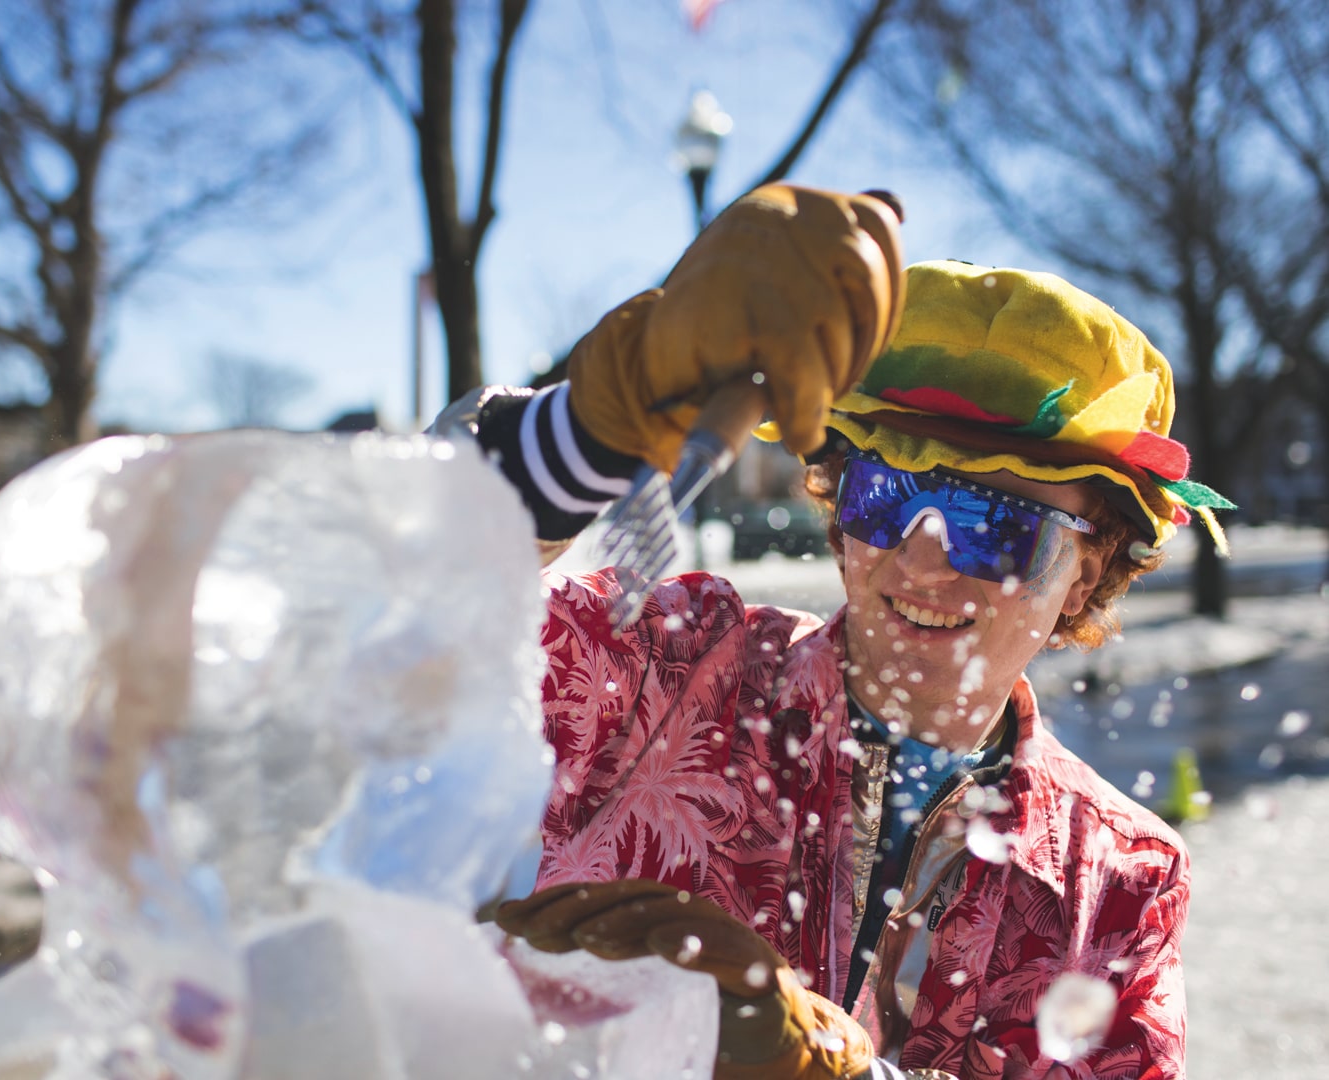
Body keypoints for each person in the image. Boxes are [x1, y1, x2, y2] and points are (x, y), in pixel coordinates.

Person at [449, 185, 1232, 1079]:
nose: (922, 561)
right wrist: (577, 439)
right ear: (836, 503)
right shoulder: (659, 670)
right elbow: (393, 632)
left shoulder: (1121, 878)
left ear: (1088, 570)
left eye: (996, 523)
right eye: (888, 494)